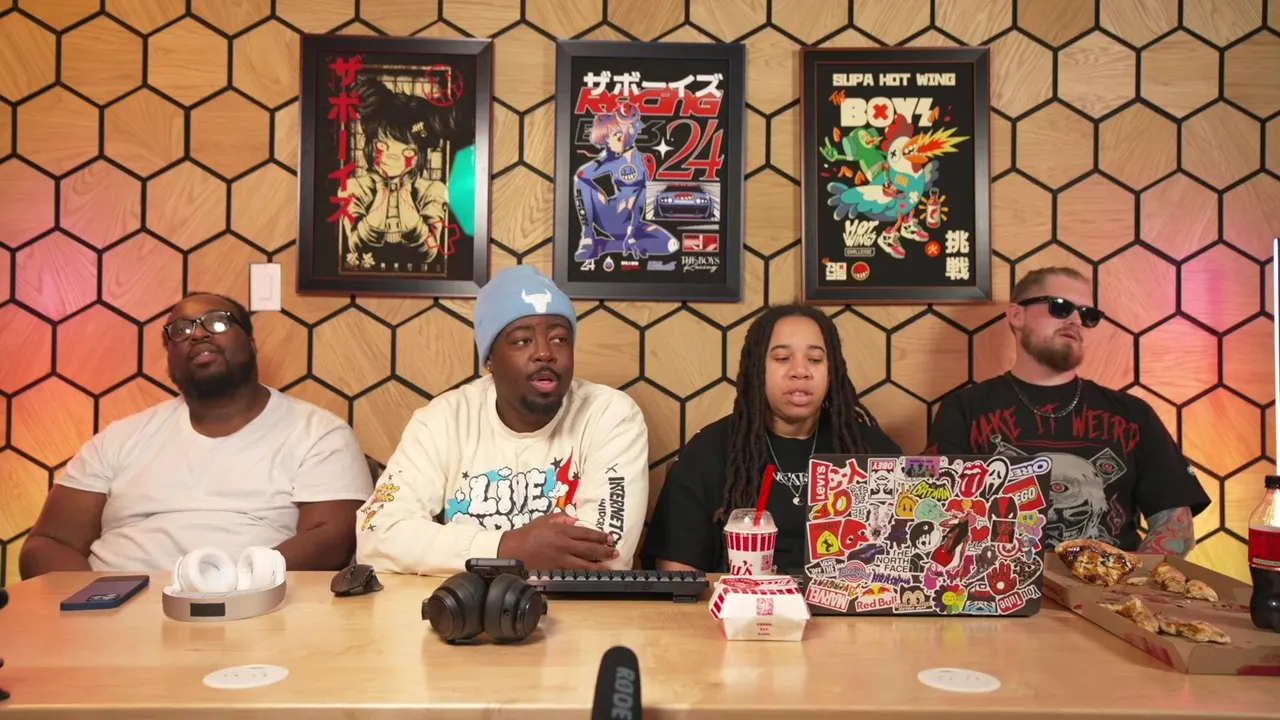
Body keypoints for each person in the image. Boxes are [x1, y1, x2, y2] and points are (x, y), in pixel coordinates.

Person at [19, 293, 373, 578]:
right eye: (181, 329)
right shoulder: (119, 438)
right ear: (169, 357)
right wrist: (91, 601)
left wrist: (236, 585)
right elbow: (47, 542)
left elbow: (332, 539)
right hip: (114, 611)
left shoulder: (318, 433)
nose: (198, 334)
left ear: (251, 343)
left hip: (251, 608)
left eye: (218, 322)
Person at [355, 265, 649, 575]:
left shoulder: (610, 415)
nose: (545, 353)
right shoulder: (442, 420)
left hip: (573, 606)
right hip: (462, 605)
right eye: (522, 341)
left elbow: (606, 557)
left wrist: (468, 556)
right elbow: (376, 534)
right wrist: (507, 548)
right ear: (489, 359)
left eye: (560, 338)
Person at [925, 267, 1210, 557]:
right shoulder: (965, 409)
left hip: (1111, 583)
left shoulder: (1133, 415)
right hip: (1001, 580)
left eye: (1088, 315)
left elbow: (1175, 527)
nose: (1075, 320)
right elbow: (938, 513)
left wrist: (1129, 579)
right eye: (1060, 307)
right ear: (1016, 315)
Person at [641, 304, 902, 573]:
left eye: (815, 359)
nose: (800, 371)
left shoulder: (869, 449)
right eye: (782, 358)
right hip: (739, 599)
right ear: (757, 369)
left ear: (831, 370)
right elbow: (677, 571)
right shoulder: (710, 451)